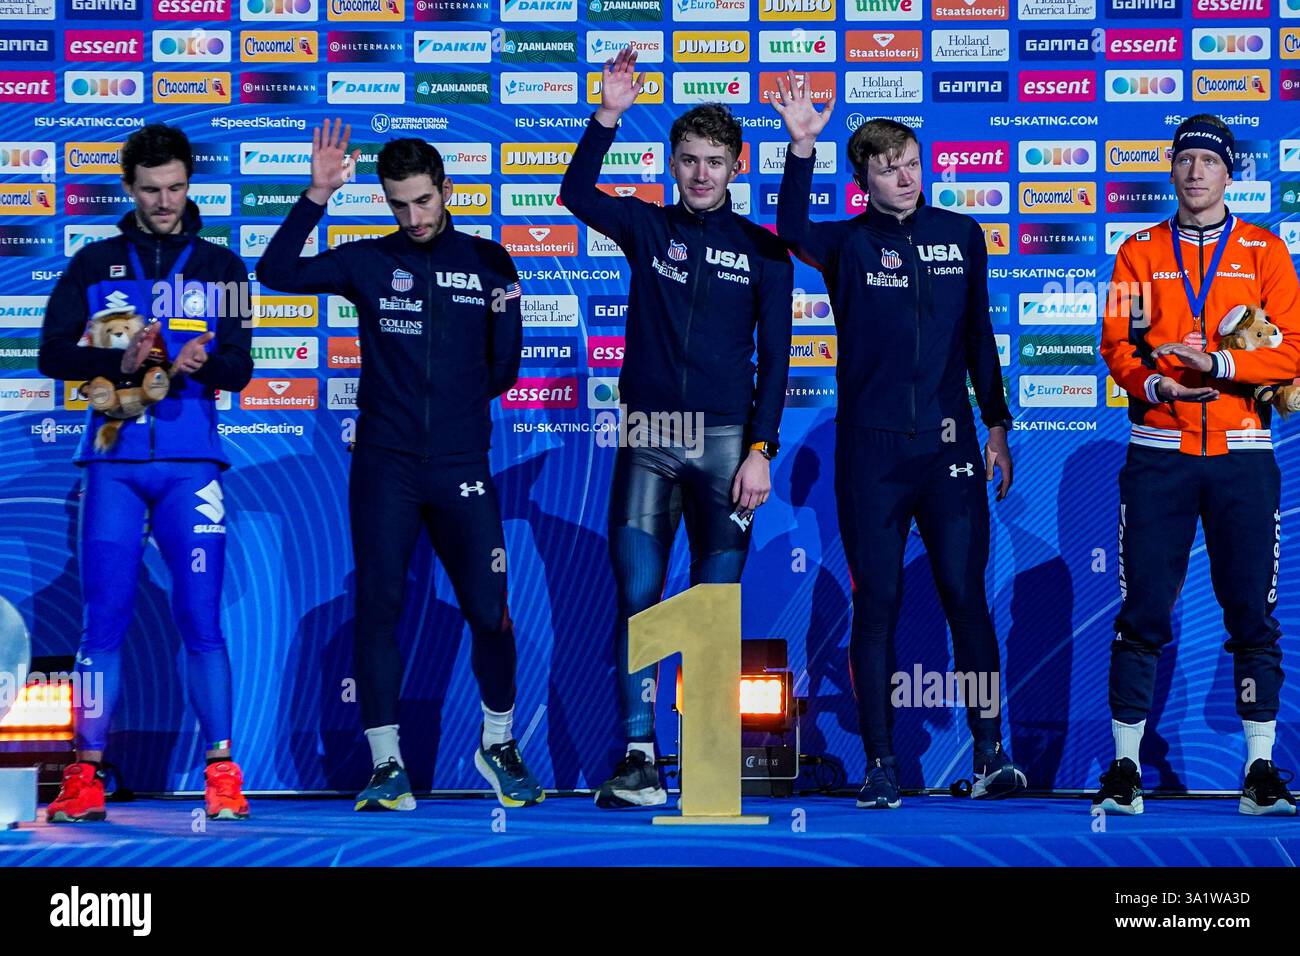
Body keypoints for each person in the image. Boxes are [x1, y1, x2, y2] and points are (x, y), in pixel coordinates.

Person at [256, 120, 541, 810]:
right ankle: (388, 768)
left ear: (447, 190)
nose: (413, 217)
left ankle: (498, 743)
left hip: (461, 463)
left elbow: (507, 365)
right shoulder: (367, 262)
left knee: (490, 612)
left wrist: (449, 409)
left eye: (423, 200)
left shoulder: (491, 262)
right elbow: (276, 272)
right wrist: (317, 194)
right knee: (378, 608)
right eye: (399, 204)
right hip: (385, 465)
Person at [772, 73, 1027, 809]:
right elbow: (791, 229)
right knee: (877, 602)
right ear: (863, 181)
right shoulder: (845, 245)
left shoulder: (961, 234)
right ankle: (881, 764)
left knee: (965, 598)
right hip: (872, 457)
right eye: (888, 167)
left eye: (912, 161)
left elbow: (979, 336)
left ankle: (991, 754)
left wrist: (998, 427)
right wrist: (800, 147)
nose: (906, 175)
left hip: (949, 449)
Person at [560, 47, 793, 809]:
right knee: (640, 596)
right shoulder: (645, 226)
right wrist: (607, 116)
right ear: (672, 162)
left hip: (728, 443)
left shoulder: (764, 252)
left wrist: (760, 450)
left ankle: (712, 759)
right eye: (689, 160)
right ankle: (638, 758)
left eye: (715, 162)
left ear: (736, 166)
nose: (700, 175)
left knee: (712, 605)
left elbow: (778, 362)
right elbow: (573, 193)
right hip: (651, 435)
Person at [38, 123, 254, 822]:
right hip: (114, 466)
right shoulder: (95, 261)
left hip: (192, 467)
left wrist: (203, 365)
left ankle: (222, 773)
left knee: (202, 621)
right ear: (129, 188)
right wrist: (117, 363)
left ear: (190, 184)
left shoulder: (222, 267)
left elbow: (242, 366)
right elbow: (50, 355)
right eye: (152, 190)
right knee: (102, 625)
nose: (166, 201)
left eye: (177, 188)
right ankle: (85, 777)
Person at [1095, 114, 1300, 816]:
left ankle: (1260, 771)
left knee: (1253, 614)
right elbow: (1117, 344)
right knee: (1144, 610)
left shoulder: (1266, 251)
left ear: (1228, 172)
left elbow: (1292, 351)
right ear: (1173, 169)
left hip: (1243, 457)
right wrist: (1158, 385)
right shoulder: (1139, 252)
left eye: (1207, 162)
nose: (1194, 172)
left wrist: (1219, 363)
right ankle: (1125, 769)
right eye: (1184, 160)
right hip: (1159, 455)